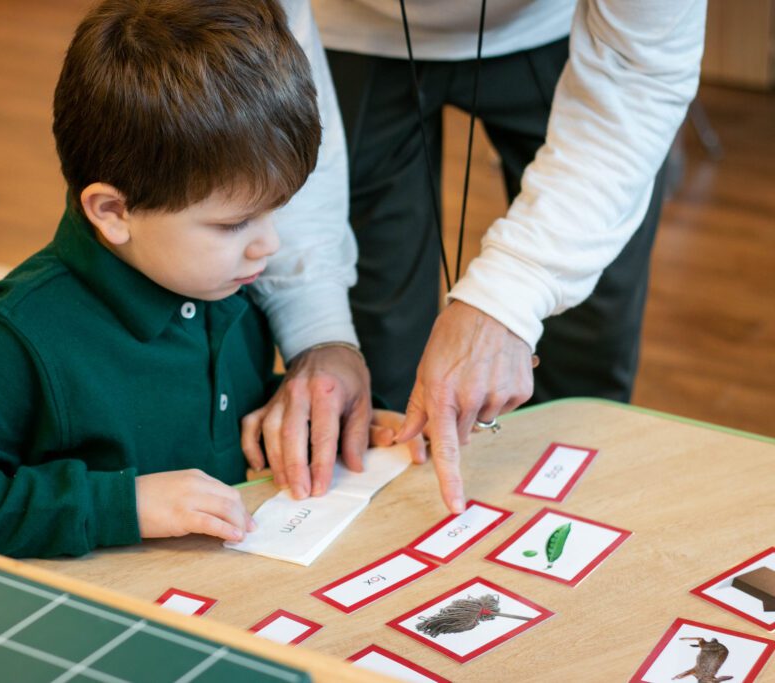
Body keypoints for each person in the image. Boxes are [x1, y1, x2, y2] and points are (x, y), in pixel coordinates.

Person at [0, 0, 422, 559]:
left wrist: (305, 426)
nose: (270, 245)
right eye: (234, 224)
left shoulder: (225, 283)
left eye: (275, 212)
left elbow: (203, 425)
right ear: (113, 212)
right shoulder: (17, 334)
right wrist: (124, 504)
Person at [245, 0, 706, 513]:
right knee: (380, 391)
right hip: (343, 35)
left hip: (564, 33)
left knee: (586, 363)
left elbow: (642, 75)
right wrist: (319, 333)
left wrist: (509, 296)